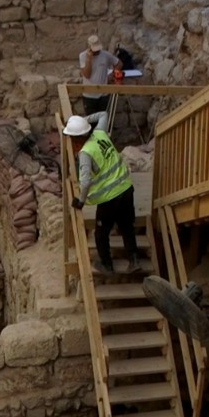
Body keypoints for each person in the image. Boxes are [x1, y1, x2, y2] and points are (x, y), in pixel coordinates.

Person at [63, 111, 142, 276]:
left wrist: (81, 201)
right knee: (127, 226)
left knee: (101, 232)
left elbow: (84, 183)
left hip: (109, 197)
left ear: (76, 140)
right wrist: (83, 122)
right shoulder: (100, 133)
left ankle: (107, 264)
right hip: (126, 187)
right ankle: (134, 261)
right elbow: (103, 114)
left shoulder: (85, 153)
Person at [78, 35, 122, 115]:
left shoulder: (105, 55)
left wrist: (112, 75)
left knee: (103, 121)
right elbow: (87, 75)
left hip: (103, 95)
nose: (97, 51)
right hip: (89, 95)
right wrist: (88, 60)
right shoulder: (83, 56)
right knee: (91, 122)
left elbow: (119, 64)